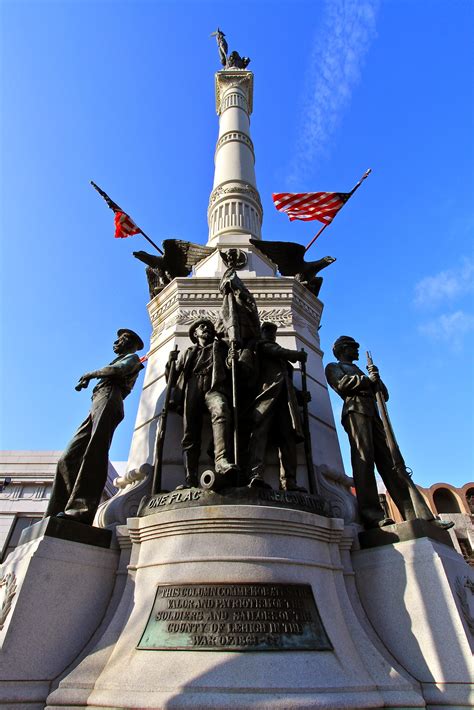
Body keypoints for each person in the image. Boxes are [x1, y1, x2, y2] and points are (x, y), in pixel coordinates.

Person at [325, 336, 452, 530]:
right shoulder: (333, 366)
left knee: (393, 464)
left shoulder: (361, 370)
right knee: (364, 461)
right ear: (343, 349)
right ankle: (372, 516)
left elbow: (383, 395)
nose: (357, 351)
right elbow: (342, 385)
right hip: (356, 411)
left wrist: (377, 379)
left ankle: (417, 514)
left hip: (374, 415)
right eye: (353, 348)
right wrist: (367, 380)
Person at [45, 329, 144, 525]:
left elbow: (116, 371)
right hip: (98, 403)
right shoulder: (120, 358)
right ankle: (55, 512)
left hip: (109, 399)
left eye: (121, 339)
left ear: (130, 343)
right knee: (67, 458)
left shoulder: (133, 358)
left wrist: (90, 374)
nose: (116, 342)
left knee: (94, 452)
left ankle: (80, 512)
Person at [169, 318, 238, 487]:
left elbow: (230, 367)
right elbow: (173, 378)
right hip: (192, 387)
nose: (206, 328)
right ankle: (190, 478)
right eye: (202, 327)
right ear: (195, 333)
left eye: (208, 327)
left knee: (221, 409)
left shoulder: (221, 347)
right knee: (190, 433)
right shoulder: (188, 352)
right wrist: (170, 363)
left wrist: (232, 359)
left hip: (213, 387)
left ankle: (221, 460)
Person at [247, 322, 307, 491]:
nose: (270, 334)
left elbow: (284, 380)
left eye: (272, 331)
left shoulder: (282, 361)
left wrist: (300, 396)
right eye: (267, 330)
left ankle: (289, 481)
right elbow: (274, 350)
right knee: (259, 435)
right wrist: (296, 355)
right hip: (264, 398)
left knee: (287, 438)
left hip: (284, 402)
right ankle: (255, 474)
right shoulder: (260, 346)